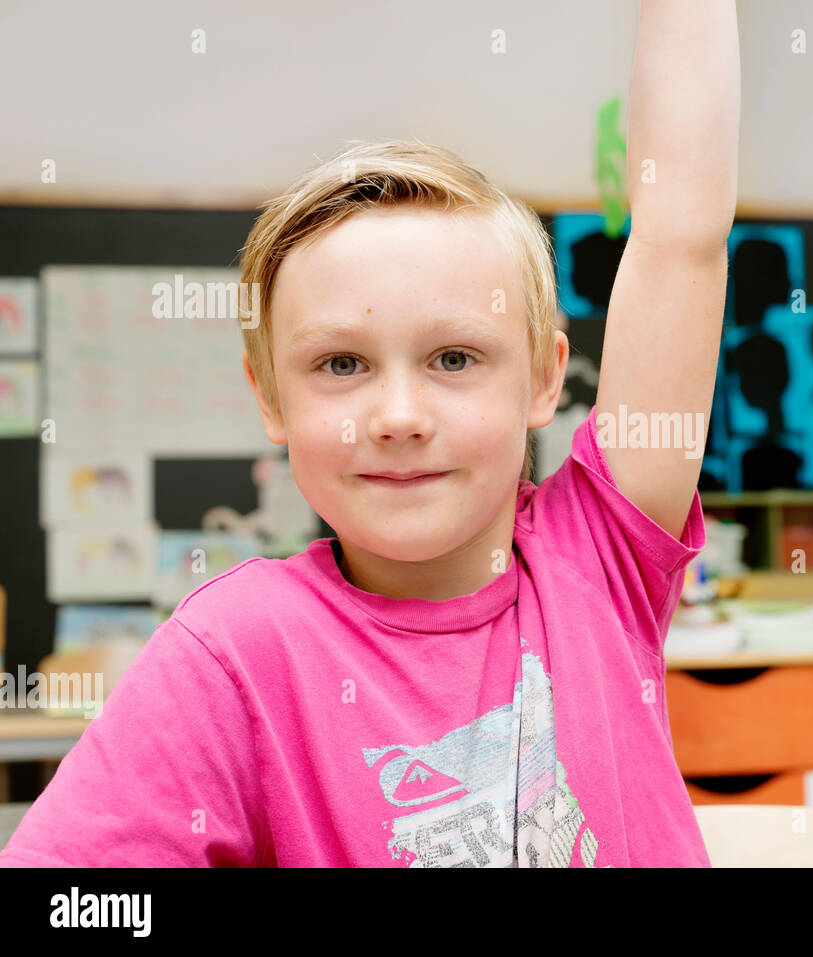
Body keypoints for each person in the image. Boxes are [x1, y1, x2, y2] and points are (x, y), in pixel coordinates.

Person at [0, 0, 740, 867]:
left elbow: (680, 237)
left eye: (456, 358)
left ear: (545, 378)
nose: (398, 417)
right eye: (342, 365)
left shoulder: (596, 556)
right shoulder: (233, 653)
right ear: (271, 397)